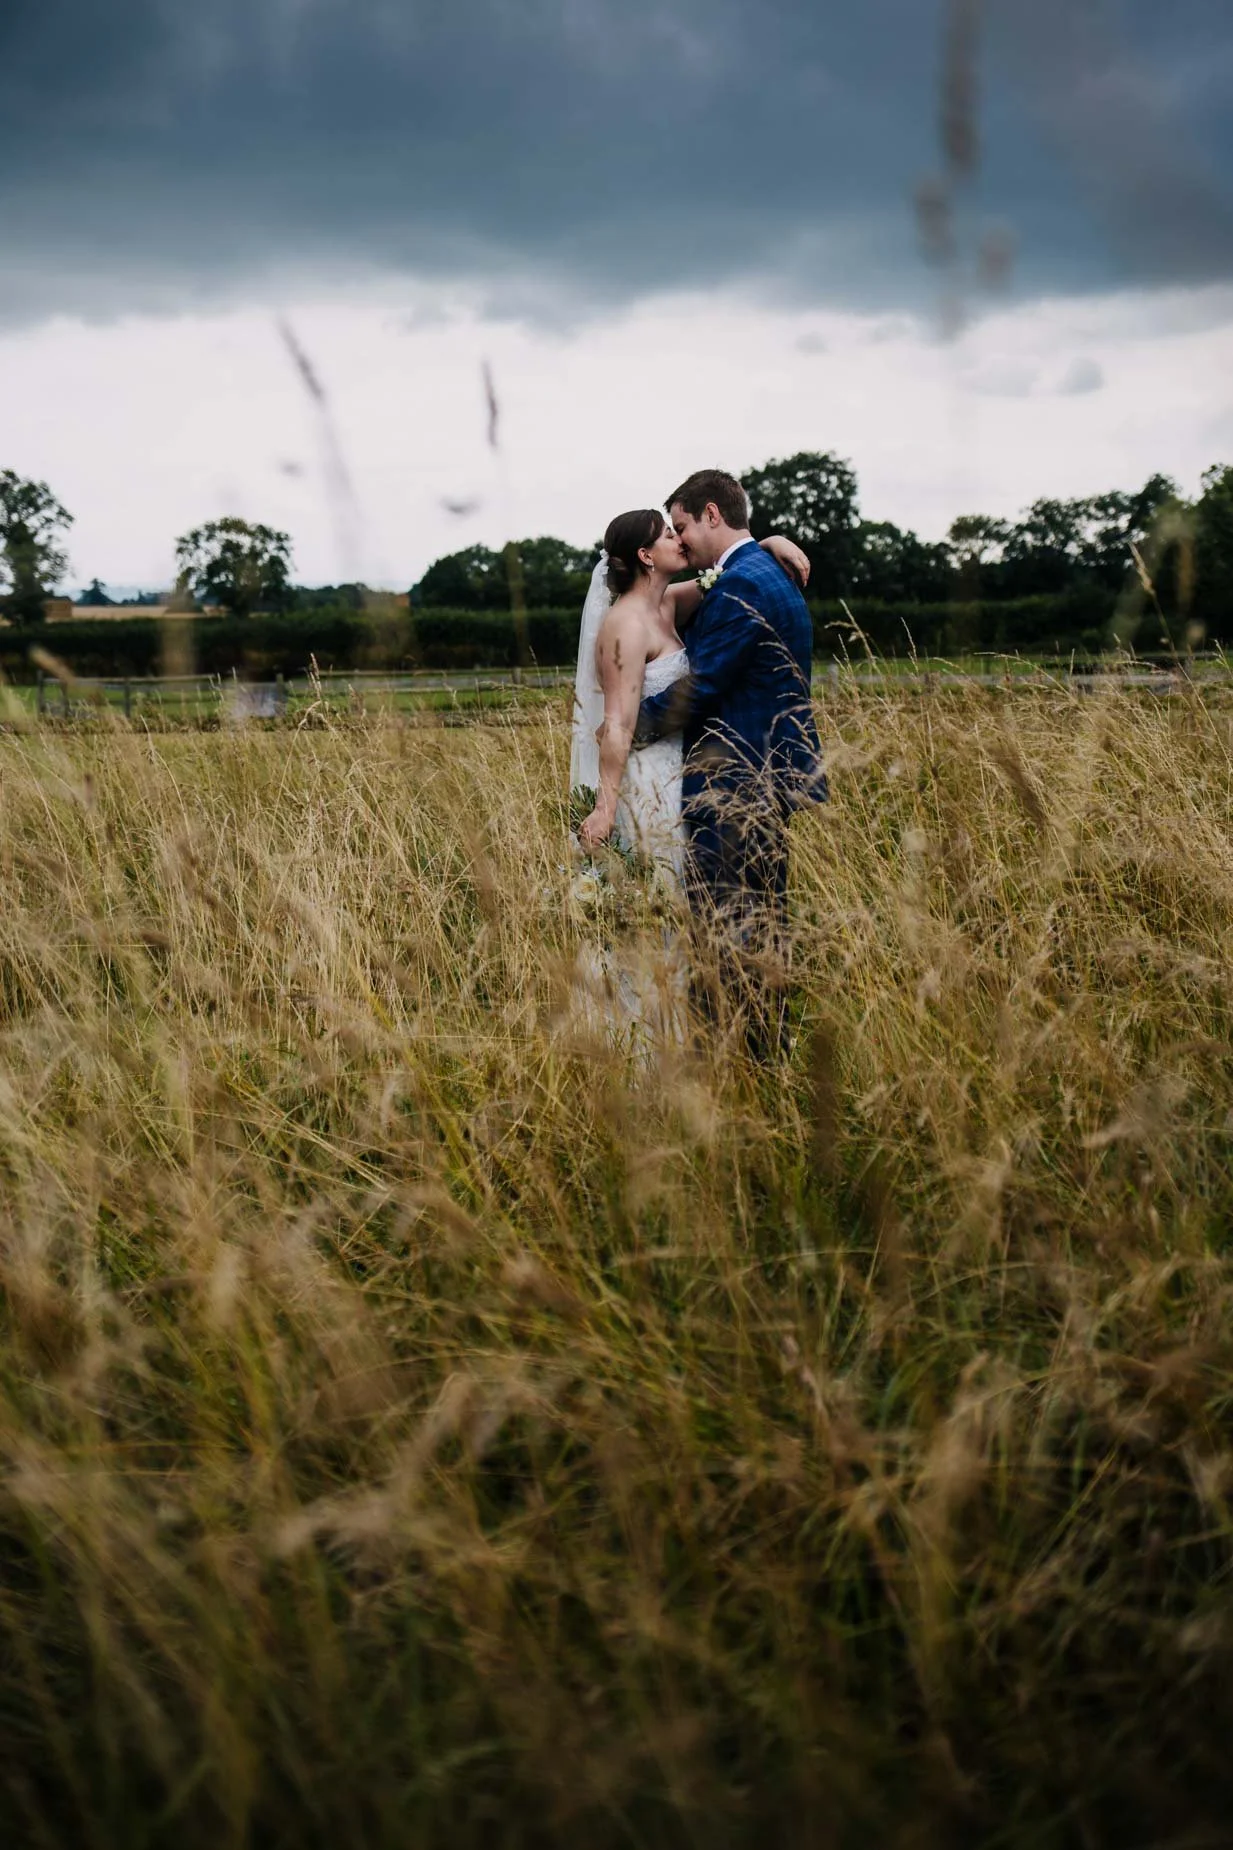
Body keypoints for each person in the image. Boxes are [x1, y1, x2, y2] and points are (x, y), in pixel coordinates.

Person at [631, 468, 828, 1060]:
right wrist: (770, 540)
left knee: (727, 930)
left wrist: (624, 727)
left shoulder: (745, 583)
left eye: (685, 525)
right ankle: (763, 1049)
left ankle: (744, 1057)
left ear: (713, 514)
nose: (681, 538)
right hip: (759, 778)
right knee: (760, 921)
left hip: (736, 782)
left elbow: (703, 687)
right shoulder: (756, 570)